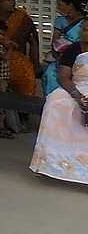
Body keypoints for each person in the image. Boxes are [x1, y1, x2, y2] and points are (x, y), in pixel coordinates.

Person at [30, 36, 88, 183]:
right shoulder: (74, 49)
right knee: (55, 104)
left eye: (86, 29)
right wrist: (78, 96)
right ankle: (50, 164)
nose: (82, 32)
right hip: (75, 87)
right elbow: (63, 77)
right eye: (82, 29)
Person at [43, 0, 86, 96]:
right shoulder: (60, 21)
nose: (58, 8)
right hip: (64, 57)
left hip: (82, 56)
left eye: (60, 5)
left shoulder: (85, 20)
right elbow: (54, 43)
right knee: (50, 74)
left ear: (70, 6)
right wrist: (59, 59)